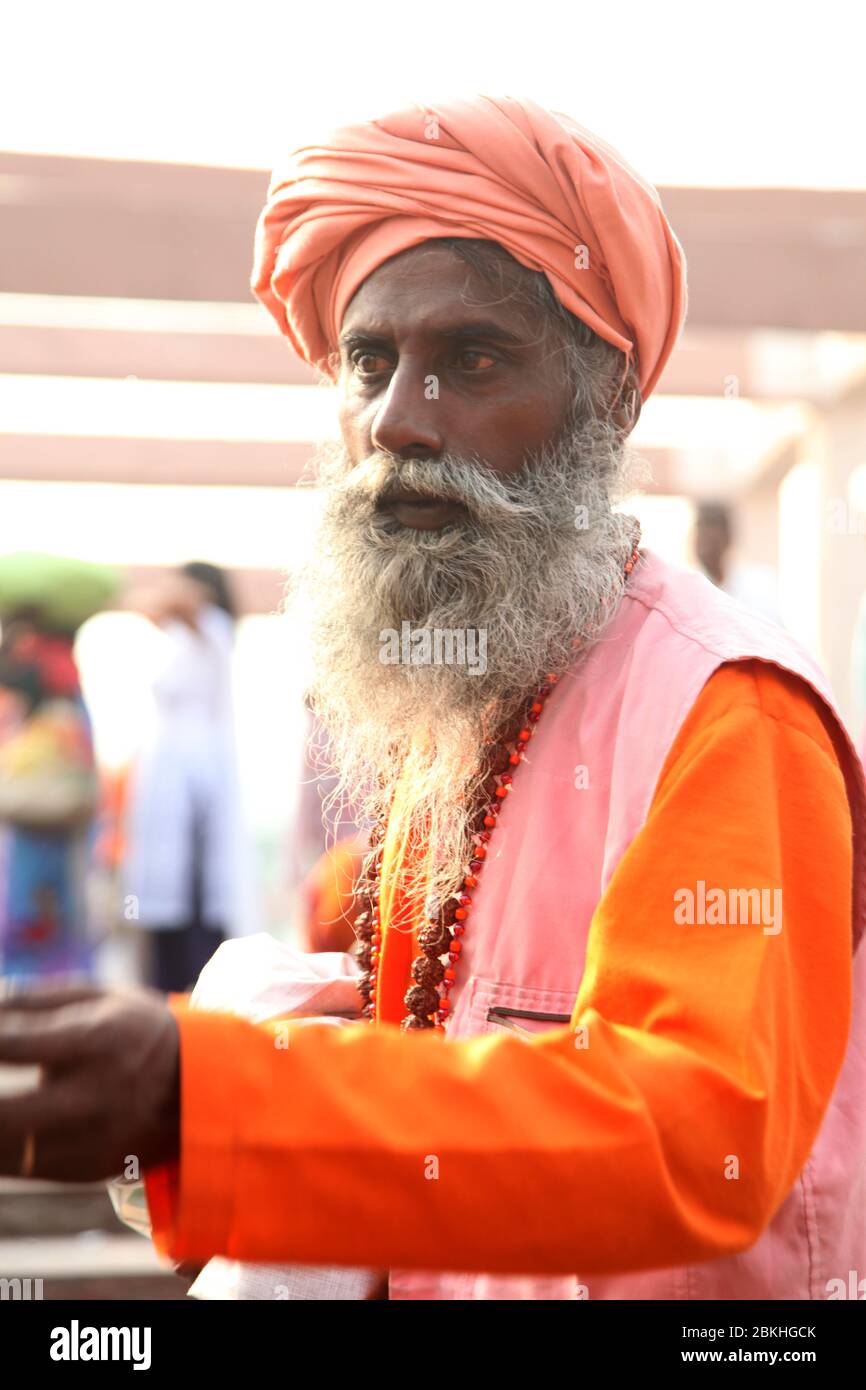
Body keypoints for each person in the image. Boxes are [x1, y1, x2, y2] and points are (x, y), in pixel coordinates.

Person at [1, 95, 864, 1303]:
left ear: (606, 400)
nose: (400, 419)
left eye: (470, 358)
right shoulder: (460, 698)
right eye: (369, 363)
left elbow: (692, 1135)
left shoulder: (726, 714)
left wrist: (210, 1092)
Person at [122, 562, 250, 992]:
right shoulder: (176, 638)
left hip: (199, 781)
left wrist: (175, 591)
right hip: (167, 777)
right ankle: (167, 988)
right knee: (162, 891)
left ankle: (191, 993)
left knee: (194, 888)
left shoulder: (212, 629)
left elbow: (165, 602)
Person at [0, 554, 119, 981]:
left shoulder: (29, 664)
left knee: (28, 924)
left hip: (30, 828)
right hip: (61, 828)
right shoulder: (69, 678)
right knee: (57, 924)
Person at [693, 499, 783, 624]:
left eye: (711, 538)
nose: (704, 544)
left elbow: (773, 632)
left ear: (727, 538)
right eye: (700, 534)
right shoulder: (690, 590)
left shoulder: (760, 584)